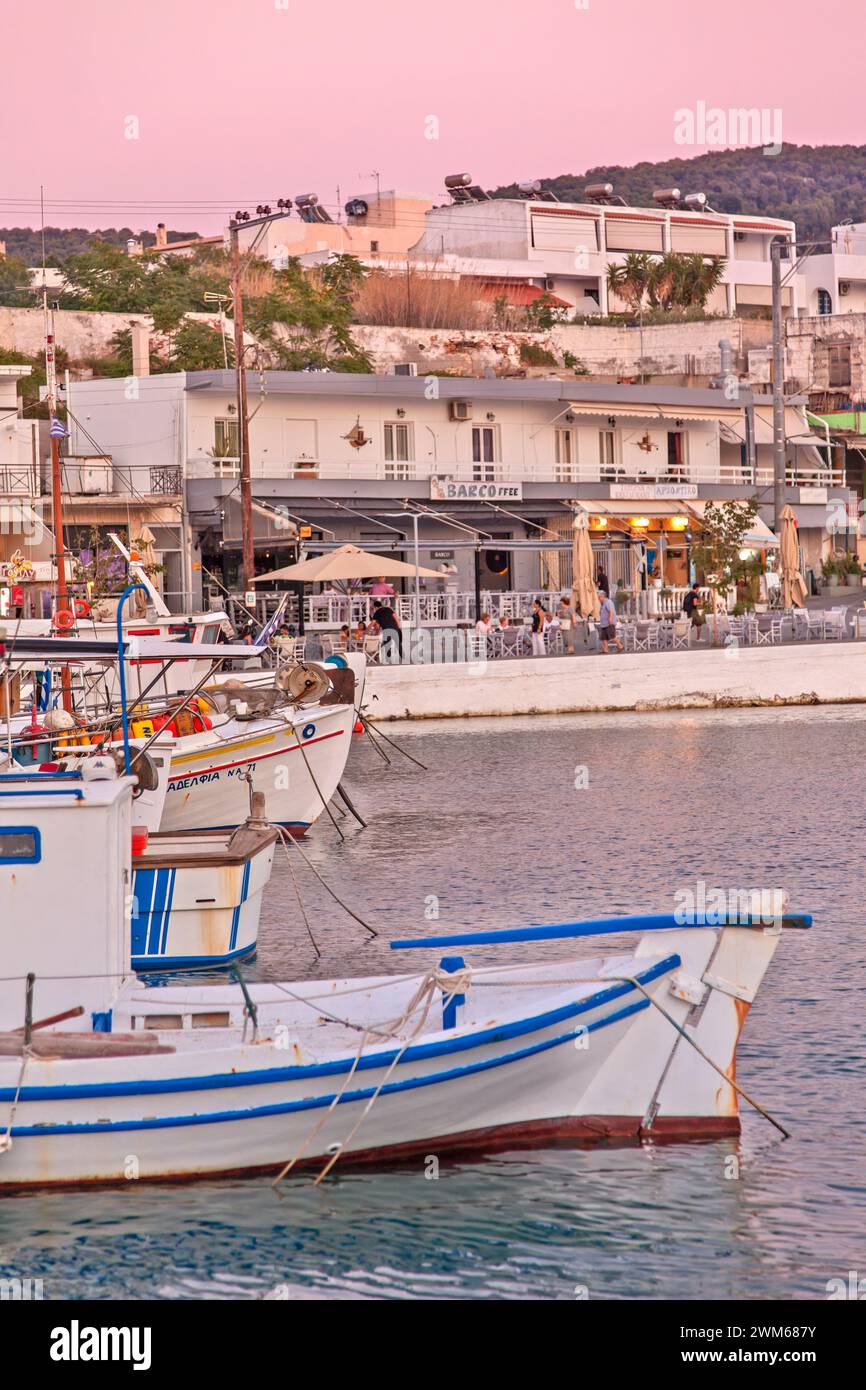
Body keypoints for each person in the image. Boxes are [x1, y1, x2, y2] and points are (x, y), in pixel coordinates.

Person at [597, 585, 624, 654]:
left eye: (599, 597)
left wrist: (610, 619)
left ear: (603, 596)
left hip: (609, 623)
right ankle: (605, 649)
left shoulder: (608, 602)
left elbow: (611, 611)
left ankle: (620, 646)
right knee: (604, 637)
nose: (598, 599)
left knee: (612, 636)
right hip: (603, 624)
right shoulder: (602, 604)